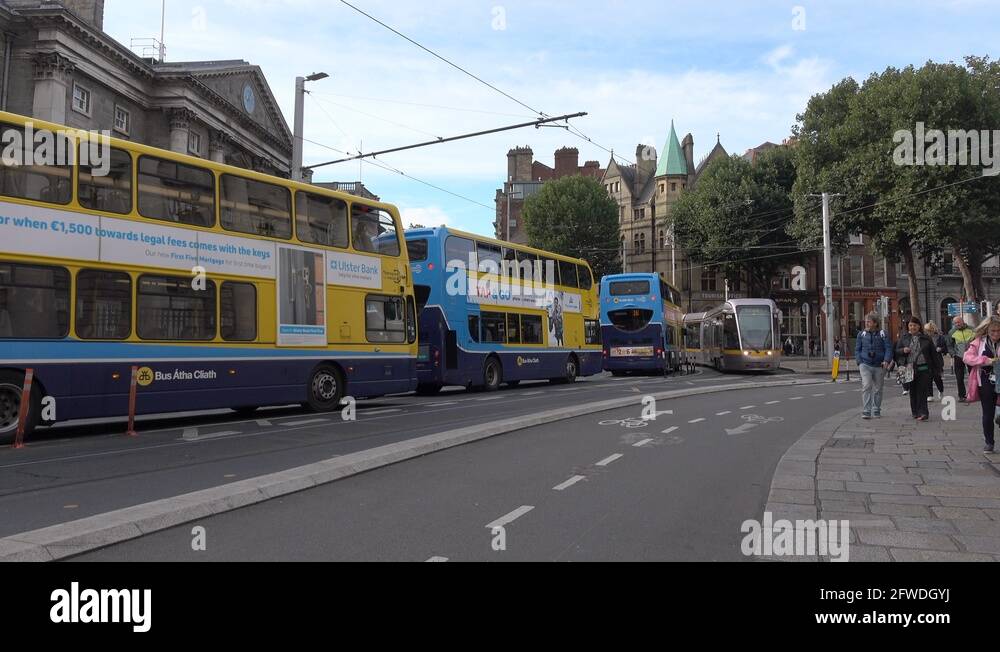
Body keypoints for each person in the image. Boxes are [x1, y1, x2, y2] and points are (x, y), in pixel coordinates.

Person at [963, 315, 1000, 453]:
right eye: (993, 331)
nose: (996, 334)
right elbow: (967, 357)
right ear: (987, 331)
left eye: (999, 331)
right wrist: (985, 360)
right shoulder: (979, 342)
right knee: (988, 413)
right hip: (985, 380)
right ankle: (989, 442)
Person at [895, 316, 939, 421]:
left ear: (919, 326)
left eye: (914, 325)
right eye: (910, 325)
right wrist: (903, 350)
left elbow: (933, 354)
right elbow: (896, 351)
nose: (912, 327)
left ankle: (923, 412)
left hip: (923, 367)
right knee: (913, 390)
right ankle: (915, 412)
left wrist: (937, 368)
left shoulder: (925, 338)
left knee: (922, 390)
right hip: (908, 368)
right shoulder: (904, 337)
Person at [855, 312, 893, 419]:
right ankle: (866, 410)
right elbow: (857, 349)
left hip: (879, 365)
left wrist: (886, 360)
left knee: (878, 388)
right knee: (867, 386)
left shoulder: (883, 334)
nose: (866, 323)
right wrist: (859, 361)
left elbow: (888, 348)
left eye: (869, 321)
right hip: (865, 364)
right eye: (866, 321)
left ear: (875, 323)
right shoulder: (861, 334)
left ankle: (876, 409)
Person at [948, 316, 975, 402]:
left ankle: (973, 394)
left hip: (971, 356)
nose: (957, 324)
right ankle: (961, 395)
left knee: (973, 376)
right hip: (959, 357)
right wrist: (953, 353)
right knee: (959, 377)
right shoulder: (951, 332)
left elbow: (977, 340)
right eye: (955, 323)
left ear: (963, 321)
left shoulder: (972, 329)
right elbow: (949, 344)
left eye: (958, 322)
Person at [924, 322, 948, 402]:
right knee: (928, 378)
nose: (928, 332)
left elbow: (945, 347)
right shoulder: (924, 338)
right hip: (927, 360)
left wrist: (940, 349)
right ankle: (929, 395)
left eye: (929, 330)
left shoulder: (940, 337)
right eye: (927, 330)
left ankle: (941, 390)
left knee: (937, 378)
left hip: (937, 360)